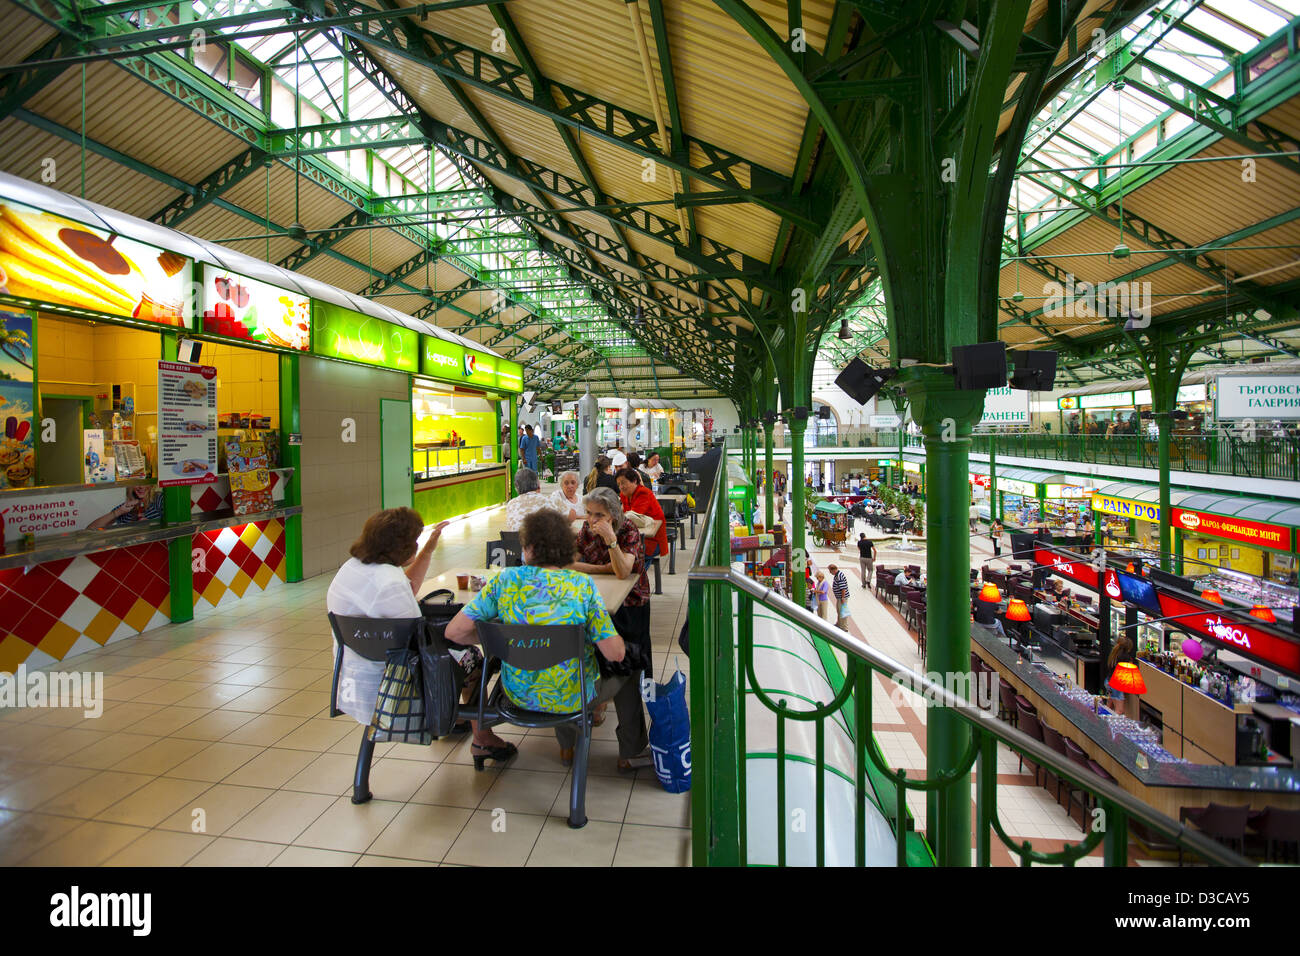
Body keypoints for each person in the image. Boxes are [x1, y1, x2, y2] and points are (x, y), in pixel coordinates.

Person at [446, 509, 635, 769]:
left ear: (528, 548)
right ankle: (630, 751)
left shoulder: (504, 581)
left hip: (516, 695)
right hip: (573, 697)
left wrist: (500, 639)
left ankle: (566, 746)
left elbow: (453, 632)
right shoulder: (582, 585)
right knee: (630, 668)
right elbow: (614, 653)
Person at [327, 510, 514, 762]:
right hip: (398, 675)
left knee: (458, 647)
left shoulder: (352, 568)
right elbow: (419, 636)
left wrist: (427, 551)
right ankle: (481, 738)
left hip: (356, 668)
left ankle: (456, 716)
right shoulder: (389, 581)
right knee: (474, 658)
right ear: (400, 546)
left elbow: (406, 590)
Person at [569, 487, 653, 770]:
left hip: (630, 604)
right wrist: (598, 568)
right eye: (590, 514)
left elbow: (622, 573)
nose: (592, 520)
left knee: (630, 661)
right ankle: (600, 713)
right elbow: (571, 563)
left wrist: (610, 542)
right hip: (598, 602)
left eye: (600, 515)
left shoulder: (628, 530)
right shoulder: (586, 528)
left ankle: (626, 743)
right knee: (604, 659)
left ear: (614, 515)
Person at [617, 468, 669, 564]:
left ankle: (637, 576)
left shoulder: (643, 493)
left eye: (623, 483)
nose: (621, 487)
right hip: (635, 536)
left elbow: (632, 517)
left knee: (631, 555)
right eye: (619, 484)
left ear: (635, 481)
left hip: (652, 540)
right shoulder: (624, 495)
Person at [88, 484, 164, 529]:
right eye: (137, 482)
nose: (141, 486)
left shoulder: (158, 499)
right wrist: (118, 512)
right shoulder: (127, 506)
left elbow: (173, 525)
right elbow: (90, 530)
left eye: (144, 483)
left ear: (151, 485)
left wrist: (151, 525)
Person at [504, 467, 553, 532]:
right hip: (538, 541)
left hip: (515, 541)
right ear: (537, 483)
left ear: (516, 487)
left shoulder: (511, 504)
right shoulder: (546, 500)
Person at [828, 563, 850, 628]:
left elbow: (843, 588)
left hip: (842, 598)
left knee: (842, 611)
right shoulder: (837, 575)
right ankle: (839, 623)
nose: (830, 573)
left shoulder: (839, 576)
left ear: (833, 570)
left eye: (830, 571)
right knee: (839, 610)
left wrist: (843, 598)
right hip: (839, 597)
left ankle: (844, 626)